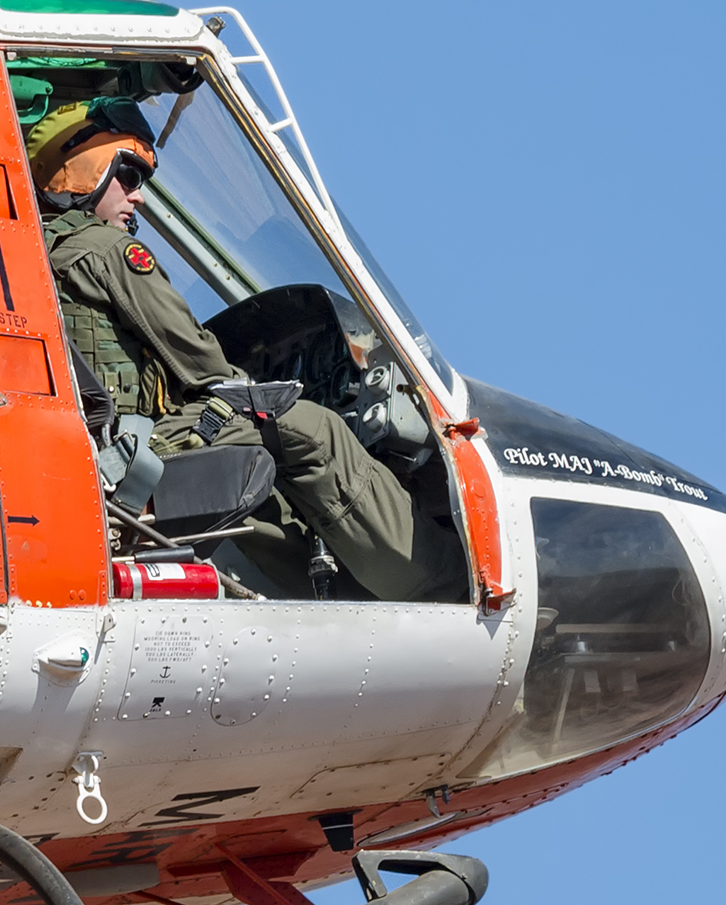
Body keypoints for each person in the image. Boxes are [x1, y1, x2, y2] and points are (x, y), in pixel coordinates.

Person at [29, 98, 464, 602]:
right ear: (82, 172)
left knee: (250, 457)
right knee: (314, 431)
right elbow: (197, 358)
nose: (139, 197)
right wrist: (253, 389)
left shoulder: (39, 255)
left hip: (100, 447)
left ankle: (326, 594)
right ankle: (438, 586)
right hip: (130, 448)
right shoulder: (110, 251)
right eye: (128, 176)